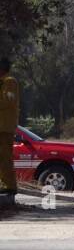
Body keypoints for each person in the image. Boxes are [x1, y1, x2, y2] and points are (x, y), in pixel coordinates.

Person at [0, 57, 20, 201]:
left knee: (5, 157)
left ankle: (10, 186)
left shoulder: (9, 82)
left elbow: (8, 100)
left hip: (5, 127)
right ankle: (4, 183)